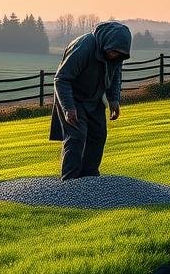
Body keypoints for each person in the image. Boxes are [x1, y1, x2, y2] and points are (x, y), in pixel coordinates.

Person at [49, 21, 131, 180]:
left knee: (99, 135)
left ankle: (90, 178)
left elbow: (115, 76)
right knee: (77, 136)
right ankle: (70, 181)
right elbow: (61, 79)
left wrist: (114, 99)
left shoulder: (117, 55)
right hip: (71, 97)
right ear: (106, 43)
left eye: (119, 54)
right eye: (113, 51)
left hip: (93, 99)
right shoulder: (85, 46)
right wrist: (68, 108)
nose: (114, 55)